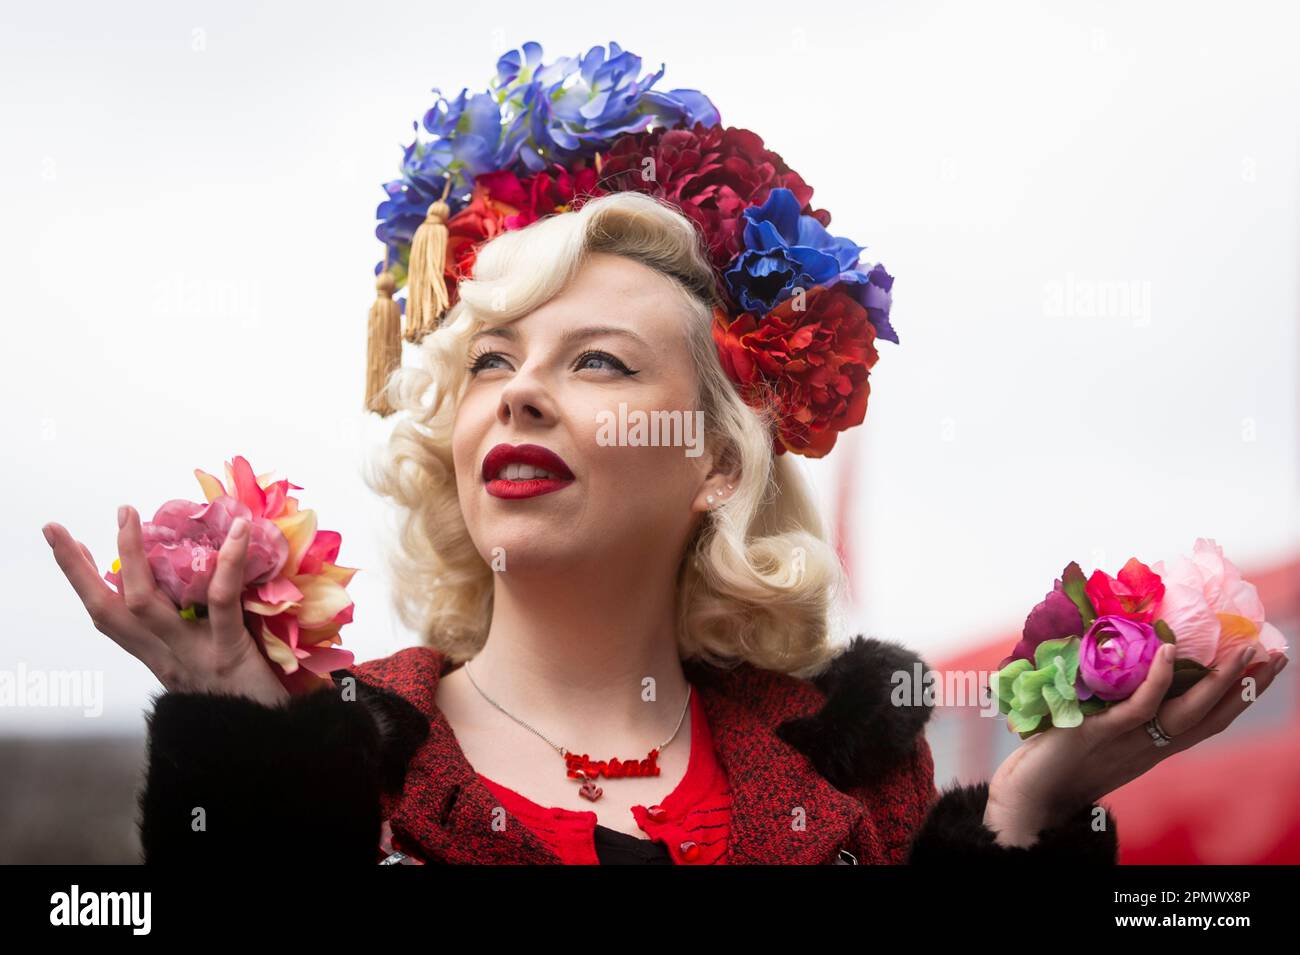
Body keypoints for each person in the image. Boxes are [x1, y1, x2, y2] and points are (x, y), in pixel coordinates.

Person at [43, 192, 1289, 865]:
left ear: (708, 463)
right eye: (489, 362)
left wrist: (1027, 806)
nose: (520, 391)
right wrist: (249, 757)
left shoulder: (857, 767)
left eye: (596, 361)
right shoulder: (333, 760)